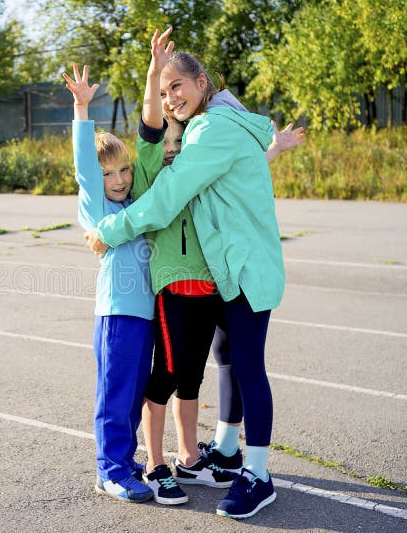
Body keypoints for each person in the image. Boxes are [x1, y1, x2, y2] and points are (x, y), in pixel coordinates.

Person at [85, 30, 291, 519]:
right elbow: (154, 140)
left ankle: (257, 476)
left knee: (245, 367)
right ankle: (223, 453)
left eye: (179, 86)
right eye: (164, 90)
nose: (172, 97)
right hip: (225, 273)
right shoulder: (219, 124)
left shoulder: (212, 130)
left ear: (202, 83)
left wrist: (111, 230)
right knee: (221, 364)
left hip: (240, 271)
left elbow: (167, 196)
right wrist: (154, 76)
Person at [63, 62, 166, 503]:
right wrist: (82, 109)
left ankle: (125, 461)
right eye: (109, 174)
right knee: (115, 396)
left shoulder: (134, 201)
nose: (119, 179)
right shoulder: (97, 210)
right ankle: (111, 471)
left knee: (133, 395)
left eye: (123, 170)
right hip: (117, 315)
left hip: (144, 316)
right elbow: (86, 164)